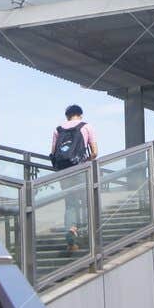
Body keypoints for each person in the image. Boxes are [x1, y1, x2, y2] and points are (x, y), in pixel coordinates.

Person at [49, 104, 97, 253]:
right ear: (80, 115)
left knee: (70, 203)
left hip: (64, 171)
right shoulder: (86, 126)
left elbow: (52, 154)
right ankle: (89, 232)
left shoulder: (58, 129)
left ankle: (71, 230)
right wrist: (87, 161)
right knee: (88, 200)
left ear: (67, 116)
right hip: (81, 170)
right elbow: (95, 152)